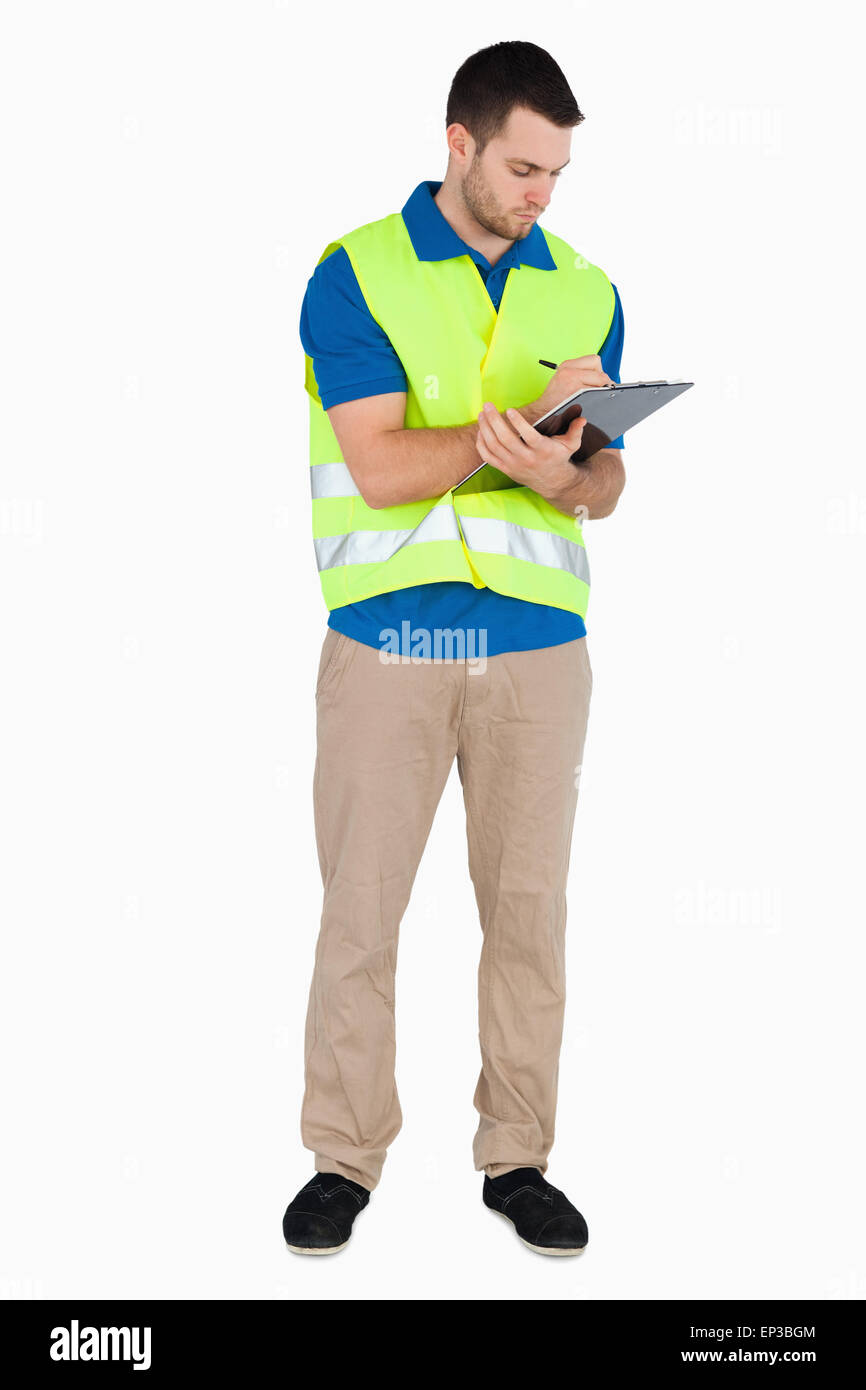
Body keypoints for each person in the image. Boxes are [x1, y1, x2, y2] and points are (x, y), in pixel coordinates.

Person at [282, 40, 626, 1258]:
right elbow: (376, 468)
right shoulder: (356, 273)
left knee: (528, 912)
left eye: (558, 171)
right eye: (524, 165)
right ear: (460, 143)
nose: (542, 192)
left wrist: (573, 471)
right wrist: (504, 449)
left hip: (538, 646)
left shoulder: (583, 288)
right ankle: (343, 1155)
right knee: (361, 915)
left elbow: (606, 477)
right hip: (390, 636)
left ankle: (518, 1153)